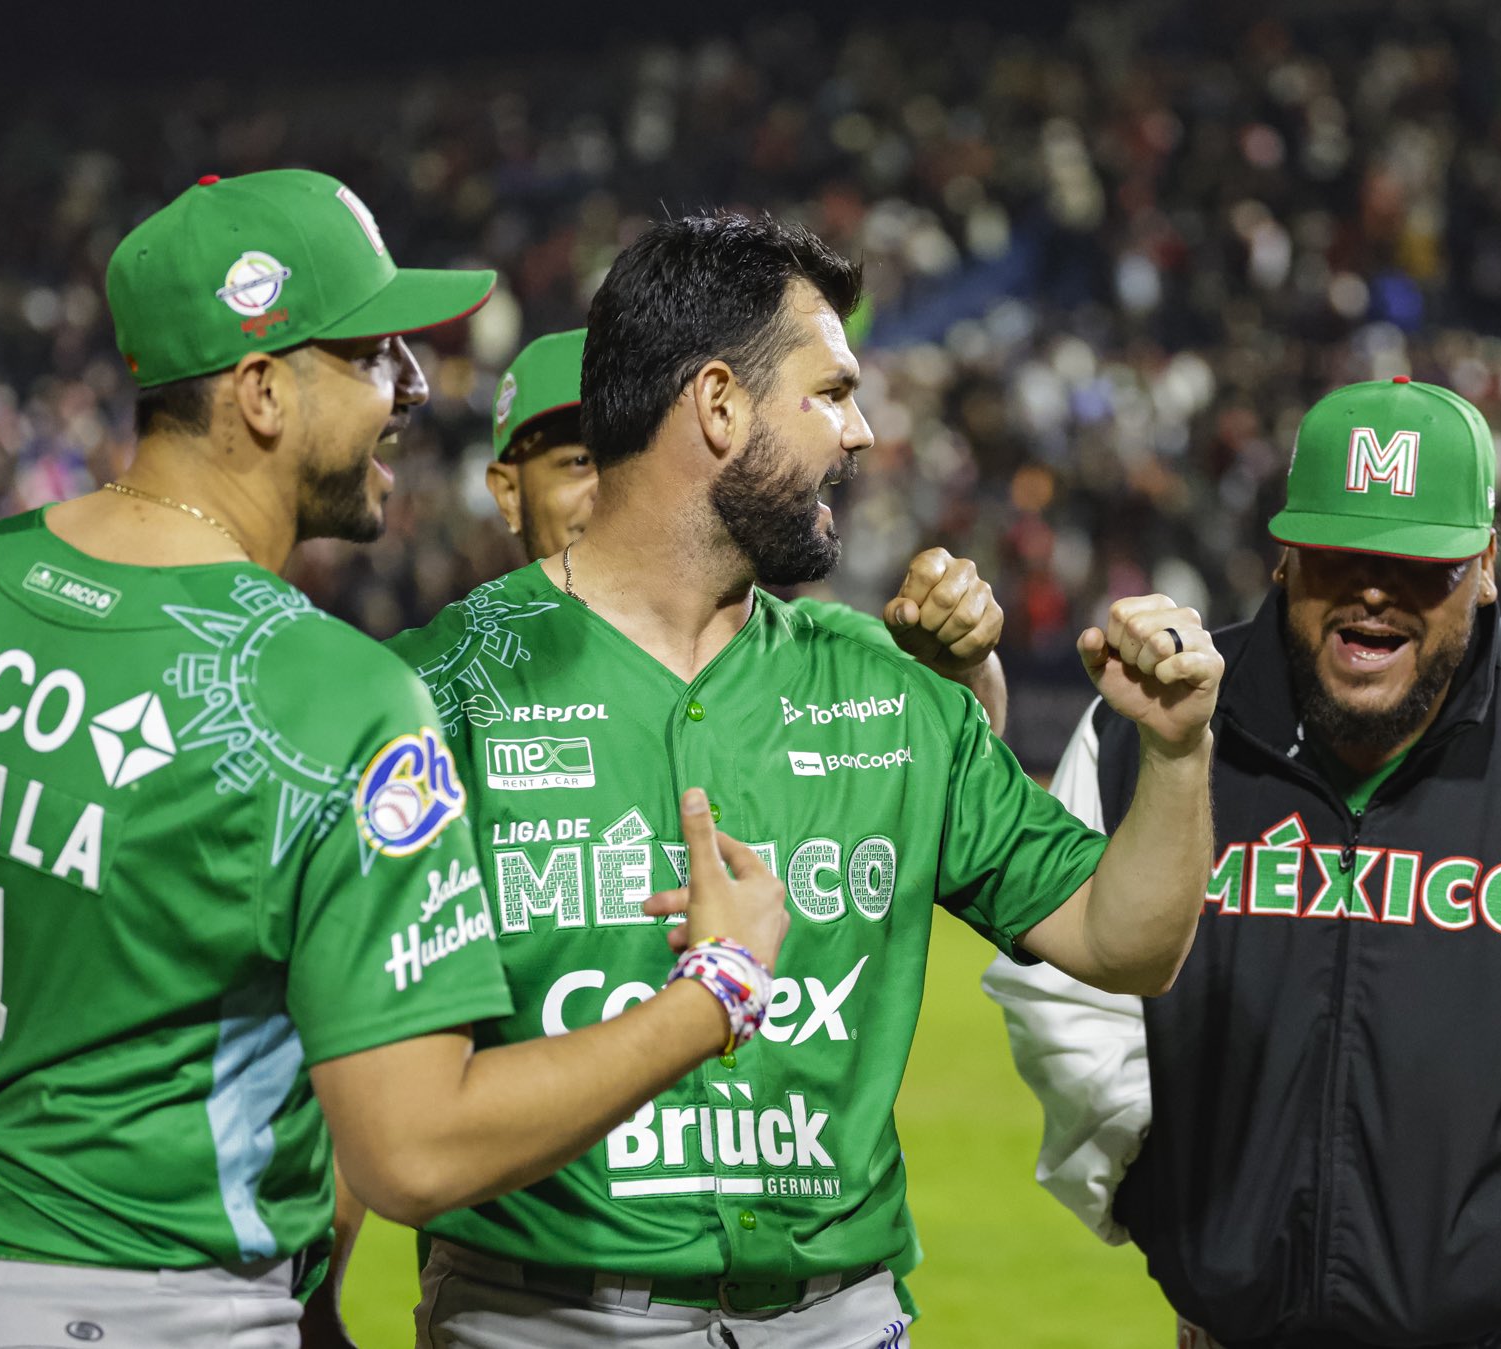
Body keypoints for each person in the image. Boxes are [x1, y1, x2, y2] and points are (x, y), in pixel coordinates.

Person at [0, 171, 789, 1349]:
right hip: (155, 1313)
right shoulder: (328, 693)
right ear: (258, 392)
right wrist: (713, 993)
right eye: (372, 353)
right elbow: (414, 1149)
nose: (411, 385)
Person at [378, 210, 1223, 1347]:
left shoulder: (890, 690)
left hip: (837, 1318)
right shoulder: (436, 696)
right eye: (830, 393)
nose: (861, 432)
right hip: (544, 1317)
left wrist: (1176, 751)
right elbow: (382, 1117)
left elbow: (1125, 942)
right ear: (719, 404)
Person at [984, 376, 1501, 1347]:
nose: (1371, 589)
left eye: (1418, 564)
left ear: (1485, 565)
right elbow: (1059, 981)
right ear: (1285, 557)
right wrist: (1146, 1159)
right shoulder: (1150, 729)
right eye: (1339, 555)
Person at [482, 326, 1009, 732]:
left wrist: (963, 665)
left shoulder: (823, 647)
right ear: (509, 495)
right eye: (579, 462)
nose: (616, 488)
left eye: (634, 455)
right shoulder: (462, 678)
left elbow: (973, 743)